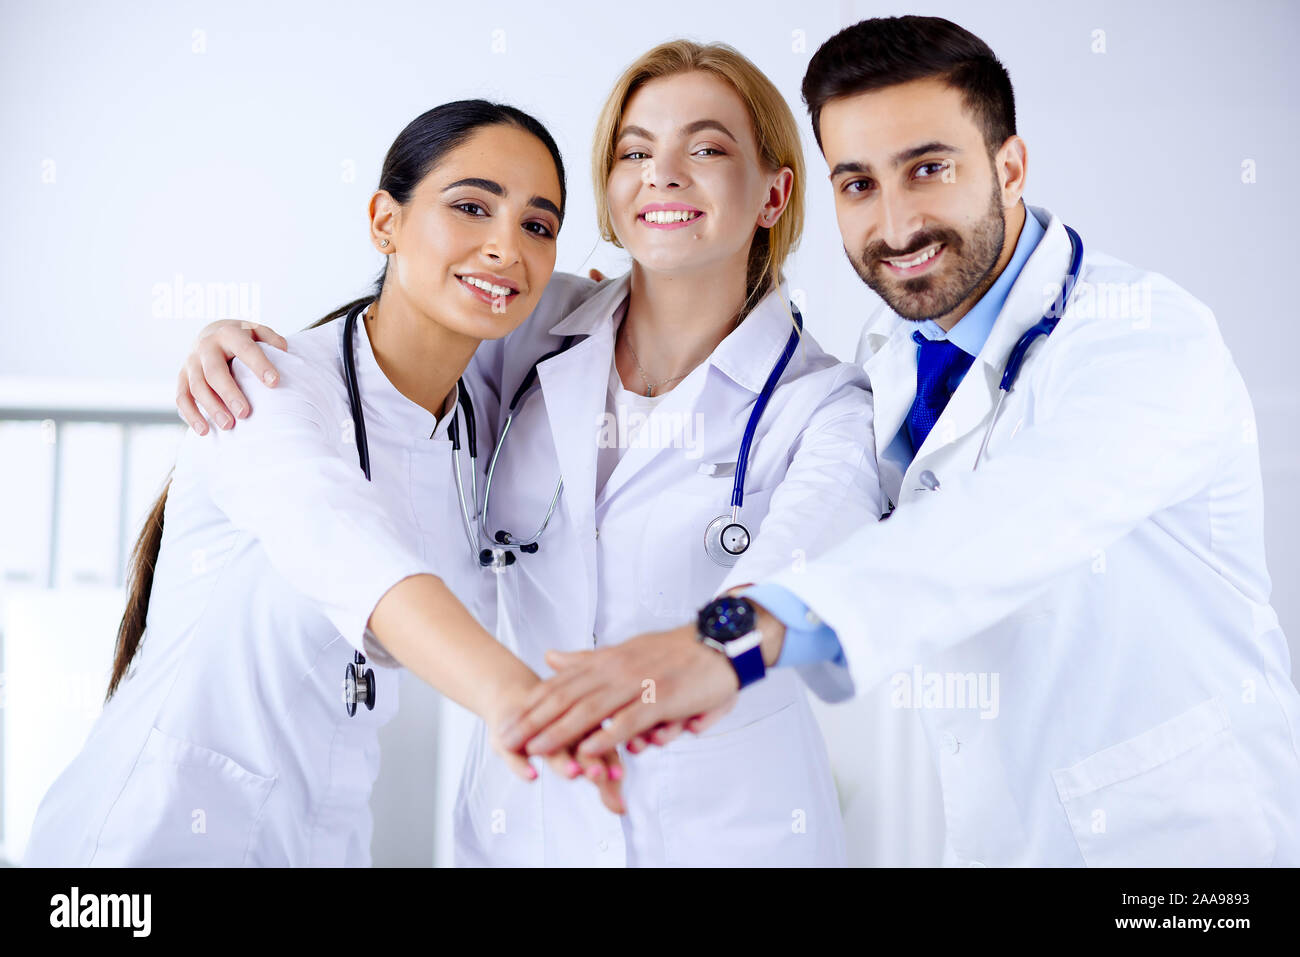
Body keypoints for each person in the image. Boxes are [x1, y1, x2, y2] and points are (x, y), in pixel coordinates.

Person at [498, 16, 1300, 867]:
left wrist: (736, 633)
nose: (896, 223)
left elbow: (1021, 515)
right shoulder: (890, 364)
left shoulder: (1141, 336)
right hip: (1001, 836)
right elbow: (848, 518)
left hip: (1183, 853)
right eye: (858, 184)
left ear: (1010, 166)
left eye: (927, 169)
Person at [175, 41, 879, 866]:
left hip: (732, 832)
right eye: (634, 151)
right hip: (526, 822)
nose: (664, 173)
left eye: (708, 147)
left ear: (774, 192)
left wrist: (706, 646)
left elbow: (813, 558)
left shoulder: (825, 403)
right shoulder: (530, 328)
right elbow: (392, 343)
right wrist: (246, 344)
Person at [24, 100, 619, 868]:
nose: (506, 246)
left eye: (538, 224)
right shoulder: (262, 387)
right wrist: (521, 701)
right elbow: (342, 541)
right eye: (471, 206)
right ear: (385, 222)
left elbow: (659, 303)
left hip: (321, 841)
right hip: (140, 845)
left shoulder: (479, 410)